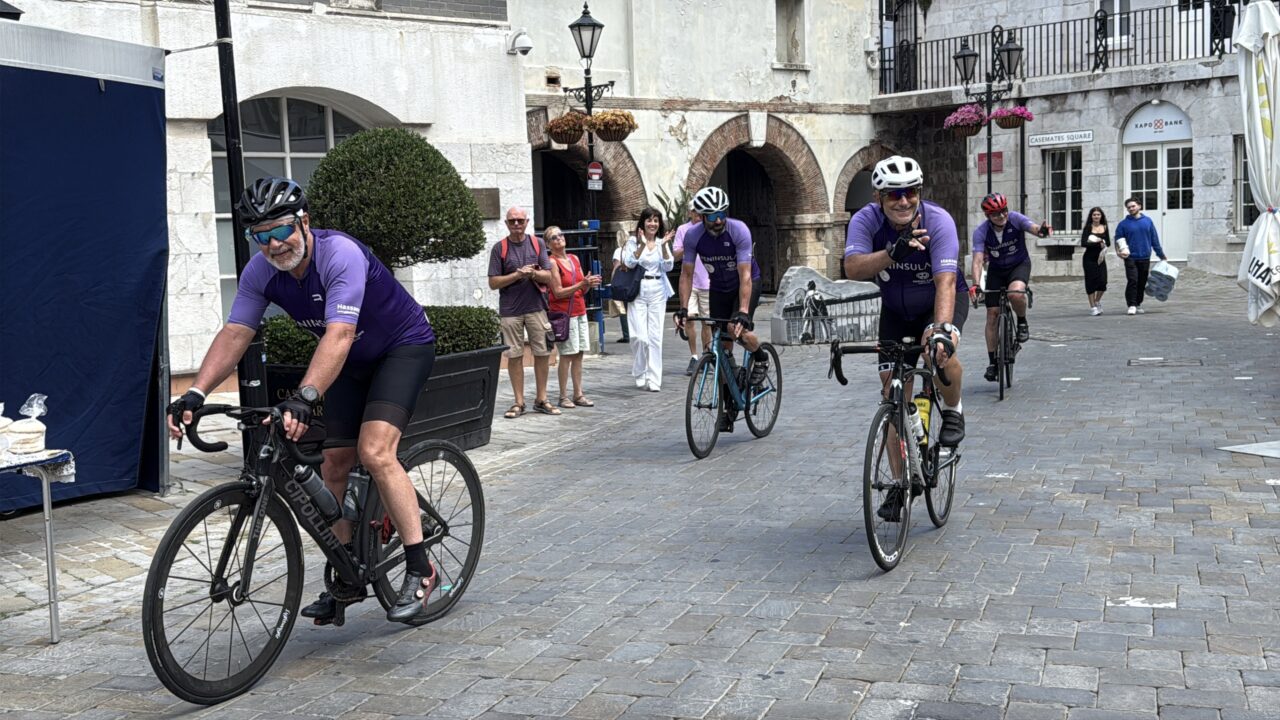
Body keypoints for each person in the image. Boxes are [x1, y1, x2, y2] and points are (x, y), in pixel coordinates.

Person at [166, 176, 440, 625]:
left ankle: (420, 567)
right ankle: (347, 576)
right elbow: (236, 332)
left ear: (304, 222)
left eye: (281, 231)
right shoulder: (262, 273)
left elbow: (340, 332)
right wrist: (196, 392)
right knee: (333, 462)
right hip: (348, 362)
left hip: (401, 348)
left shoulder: (340, 255)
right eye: (261, 236)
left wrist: (304, 397)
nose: (274, 245)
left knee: (374, 451)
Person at [843, 156, 967, 520]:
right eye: (894, 194)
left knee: (937, 354)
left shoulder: (938, 221)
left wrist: (941, 331)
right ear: (879, 198)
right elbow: (851, 267)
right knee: (892, 395)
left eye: (910, 192)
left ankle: (954, 409)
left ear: (919, 193)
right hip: (894, 312)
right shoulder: (865, 220)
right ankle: (902, 484)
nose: (903, 201)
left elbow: (944, 281)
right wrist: (891, 252)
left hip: (938, 301)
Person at [674, 187, 769, 433]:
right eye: (712, 216)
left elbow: (745, 274)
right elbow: (685, 274)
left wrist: (744, 312)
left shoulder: (738, 230)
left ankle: (761, 357)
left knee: (736, 329)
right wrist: (683, 309)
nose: (718, 220)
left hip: (746, 283)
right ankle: (730, 406)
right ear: (702, 216)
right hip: (719, 287)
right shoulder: (693, 236)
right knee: (722, 349)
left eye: (721, 214)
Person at [970, 192, 1050, 383]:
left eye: (1004, 210)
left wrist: (1043, 231)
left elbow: (1034, 228)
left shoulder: (1015, 219)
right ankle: (992, 363)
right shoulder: (981, 232)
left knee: (1015, 293)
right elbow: (978, 260)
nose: (1002, 216)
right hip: (997, 271)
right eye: (996, 213)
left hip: (1018, 265)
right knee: (992, 314)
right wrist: (975, 284)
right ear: (988, 216)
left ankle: (1021, 321)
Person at [488, 207, 559, 417]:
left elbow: (548, 276)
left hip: (536, 307)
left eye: (520, 220)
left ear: (527, 222)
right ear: (507, 224)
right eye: (512, 221)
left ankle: (542, 398)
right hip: (510, 310)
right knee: (514, 355)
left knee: (543, 353)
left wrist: (534, 274)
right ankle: (518, 402)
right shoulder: (499, 248)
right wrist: (517, 275)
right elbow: (493, 282)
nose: (516, 224)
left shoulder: (537, 244)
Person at [545, 225, 601, 408]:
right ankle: (563, 396)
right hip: (564, 314)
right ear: (548, 244)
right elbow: (558, 292)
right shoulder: (552, 262)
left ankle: (578, 394)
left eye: (561, 234)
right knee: (567, 355)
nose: (559, 238)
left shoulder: (574, 258)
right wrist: (580, 285)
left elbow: (581, 289)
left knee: (579, 354)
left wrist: (587, 284)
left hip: (580, 310)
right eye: (554, 237)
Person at [623, 207, 675, 391]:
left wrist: (664, 247)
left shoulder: (662, 242)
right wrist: (643, 245)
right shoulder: (633, 241)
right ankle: (639, 371)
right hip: (638, 289)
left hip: (657, 290)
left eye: (656, 220)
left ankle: (654, 379)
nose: (652, 224)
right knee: (639, 336)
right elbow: (628, 262)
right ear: (643, 223)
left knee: (655, 336)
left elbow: (668, 267)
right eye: (649, 220)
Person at [672, 207, 712, 375]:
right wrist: (689, 246)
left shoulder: (710, 230)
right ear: (690, 212)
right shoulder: (683, 230)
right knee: (689, 318)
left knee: (707, 322)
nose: (698, 216)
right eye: (695, 212)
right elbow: (675, 255)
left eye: (702, 213)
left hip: (707, 282)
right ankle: (694, 356)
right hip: (689, 281)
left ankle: (706, 355)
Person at [1114, 196, 1167, 315]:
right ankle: (1131, 304)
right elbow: (1118, 239)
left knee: (1142, 282)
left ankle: (1138, 303)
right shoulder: (1123, 224)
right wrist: (1118, 252)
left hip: (1145, 256)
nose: (1131, 209)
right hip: (1130, 257)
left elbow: (1154, 239)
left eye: (1133, 206)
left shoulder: (1148, 221)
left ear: (1139, 206)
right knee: (1133, 280)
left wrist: (1161, 255)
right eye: (1128, 207)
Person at [1080, 207, 1111, 315]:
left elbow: (1109, 242)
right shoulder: (1088, 228)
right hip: (1089, 258)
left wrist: (1103, 242)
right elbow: (1083, 243)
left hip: (1100, 258)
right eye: (1094, 215)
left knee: (1103, 282)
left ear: (1101, 216)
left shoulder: (1105, 227)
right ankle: (1093, 307)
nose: (1096, 216)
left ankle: (1097, 301)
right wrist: (1097, 243)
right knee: (1090, 282)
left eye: (1098, 214)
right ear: (1091, 216)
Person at [609, 245, 631, 343]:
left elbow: (616, 267)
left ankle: (626, 335)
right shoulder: (634, 249)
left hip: (622, 283)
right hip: (632, 282)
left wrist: (613, 282)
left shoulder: (619, 251)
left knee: (623, 309)